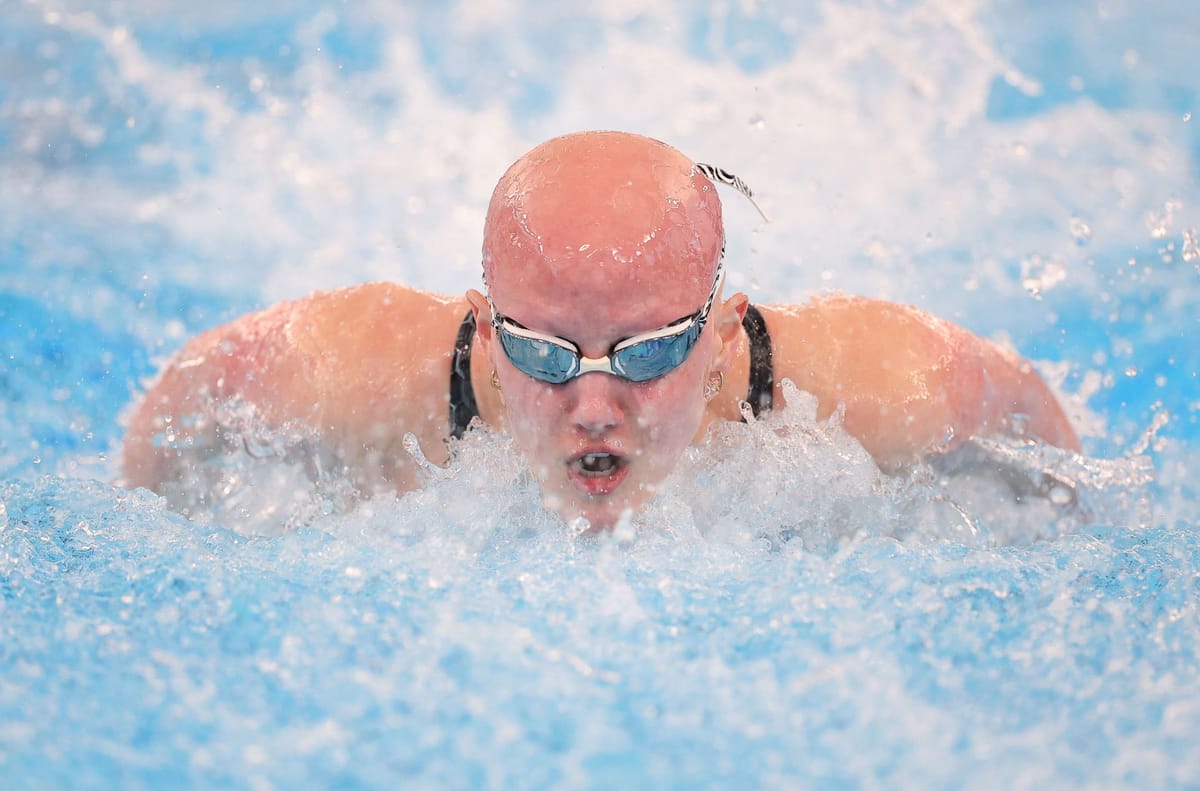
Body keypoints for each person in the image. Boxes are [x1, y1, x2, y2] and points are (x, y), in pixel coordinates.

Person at [123, 130, 1080, 531]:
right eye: (544, 354)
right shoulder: (362, 374)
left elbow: (1028, 418)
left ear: (721, 337)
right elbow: (196, 388)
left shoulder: (882, 385)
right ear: (485, 332)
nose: (591, 406)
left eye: (647, 352)